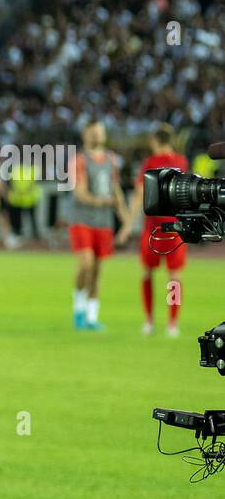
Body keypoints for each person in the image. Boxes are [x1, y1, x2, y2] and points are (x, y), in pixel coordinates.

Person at [68, 121, 130, 331]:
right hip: (82, 218)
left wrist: (124, 218)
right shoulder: (79, 160)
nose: (96, 136)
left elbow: (115, 189)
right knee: (85, 263)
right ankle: (78, 306)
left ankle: (92, 317)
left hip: (103, 221)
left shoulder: (111, 160)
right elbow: (79, 191)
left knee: (96, 270)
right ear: (85, 134)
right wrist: (101, 201)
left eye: (99, 132)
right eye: (92, 132)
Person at [135, 124, 190, 337]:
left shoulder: (150, 163)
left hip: (152, 228)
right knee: (174, 277)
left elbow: (140, 193)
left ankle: (149, 321)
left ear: (155, 141)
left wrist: (128, 222)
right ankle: (172, 323)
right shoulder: (181, 162)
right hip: (176, 228)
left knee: (148, 273)